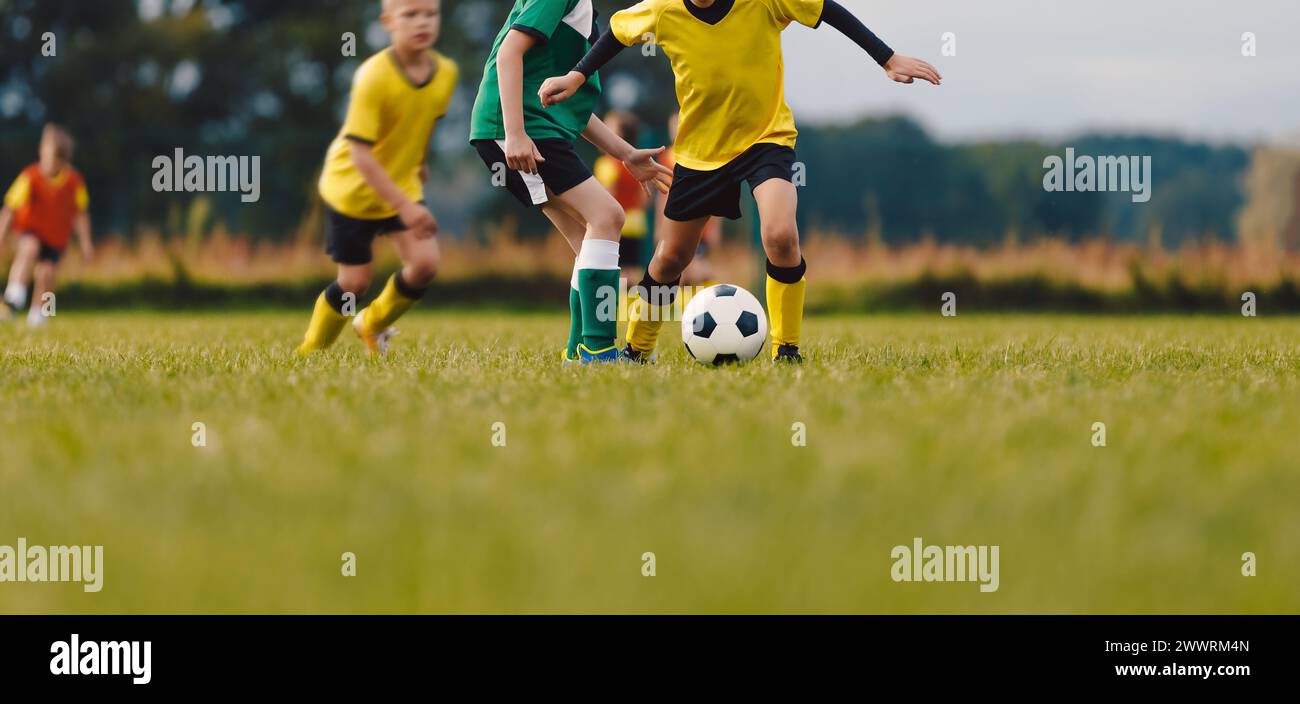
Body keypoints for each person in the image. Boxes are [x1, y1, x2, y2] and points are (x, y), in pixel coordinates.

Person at [540, 0, 940, 362]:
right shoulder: (663, 10)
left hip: (766, 139)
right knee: (669, 259)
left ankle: (787, 348)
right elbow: (617, 32)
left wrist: (886, 58)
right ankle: (637, 349)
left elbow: (826, 10)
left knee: (781, 235)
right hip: (699, 153)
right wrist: (576, 77)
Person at [469, 0, 672, 364]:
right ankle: (598, 350)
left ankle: (579, 350)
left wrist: (626, 153)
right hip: (522, 131)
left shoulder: (583, 10)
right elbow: (508, 53)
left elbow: (569, 104)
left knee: (588, 242)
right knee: (608, 217)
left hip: (525, 129)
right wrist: (515, 133)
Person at [298, 0, 457, 356]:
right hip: (353, 187)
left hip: (401, 183)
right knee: (354, 283)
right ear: (388, 22)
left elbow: (428, 118)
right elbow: (360, 153)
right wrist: (406, 206)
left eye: (430, 14)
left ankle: (372, 324)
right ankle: (311, 350)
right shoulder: (374, 75)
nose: (422, 23)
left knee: (425, 265)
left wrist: (419, 161)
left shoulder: (445, 72)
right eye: (410, 15)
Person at [0, 123, 94, 327]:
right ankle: (13, 297)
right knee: (30, 248)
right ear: (41, 151)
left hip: (55, 238)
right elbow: (10, 208)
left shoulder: (74, 182)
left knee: (47, 273)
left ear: (63, 161)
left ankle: (42, 314)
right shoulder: (30, 177)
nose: (48, 164)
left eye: (54, 160)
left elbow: (81, 214)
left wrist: (86, 242)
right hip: (30, 230)